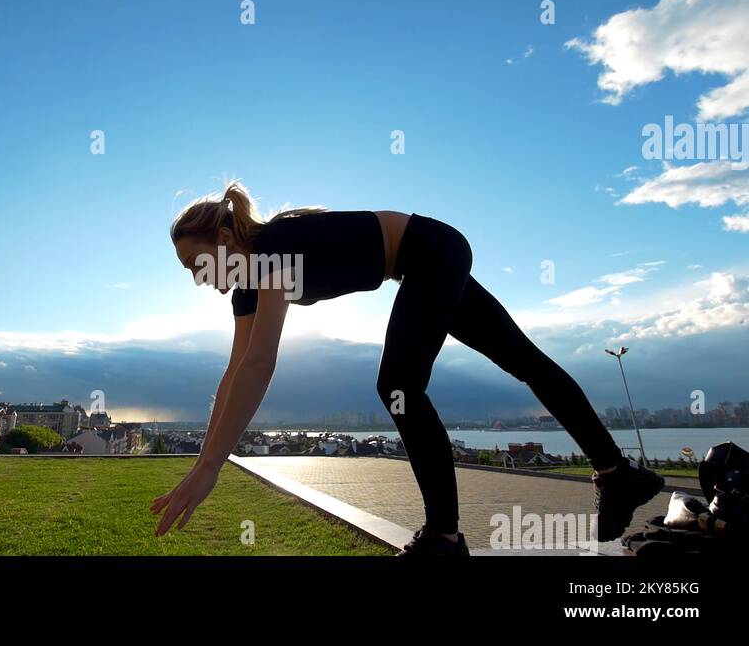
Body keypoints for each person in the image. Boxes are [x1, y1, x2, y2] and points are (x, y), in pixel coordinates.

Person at [150, 182, 665, 556]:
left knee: (398, 383)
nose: (199, 280)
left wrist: (211, 467)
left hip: (430, 250)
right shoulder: (249, 284)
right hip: (426, 261)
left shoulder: (270, 249)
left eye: (199, 264)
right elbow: (235, 371)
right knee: (524, 362)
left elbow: (261, 364)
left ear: (223, 237)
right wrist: (204, 460)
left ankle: (444, 538)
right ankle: (618, 473)